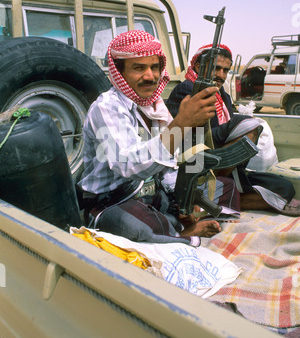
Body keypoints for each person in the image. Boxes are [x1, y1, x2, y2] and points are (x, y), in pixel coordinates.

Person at [78, 31, 242, 247]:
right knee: (131, 225)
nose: (150, 76)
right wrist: (181, 124)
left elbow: (169, 165)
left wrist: (186, 198)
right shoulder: (107, 108)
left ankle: (175, 226)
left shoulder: (155, 105)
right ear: (119, 71)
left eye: (154, 67)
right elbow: (130, 166)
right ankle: (180, 235)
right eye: (138, 68)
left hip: (153, 194)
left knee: (225, 186)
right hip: (115, 201)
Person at [166, 43, 300, 217]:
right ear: (199, 67)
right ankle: (215, 191)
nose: (221, 75)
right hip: (195, 163)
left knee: (285, 188)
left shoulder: (224, 96)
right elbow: (183, 138)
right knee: (247, 126)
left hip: (225, 165)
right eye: (216, 68)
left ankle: (226, 198)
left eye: (225, 70)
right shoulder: (187, 89)